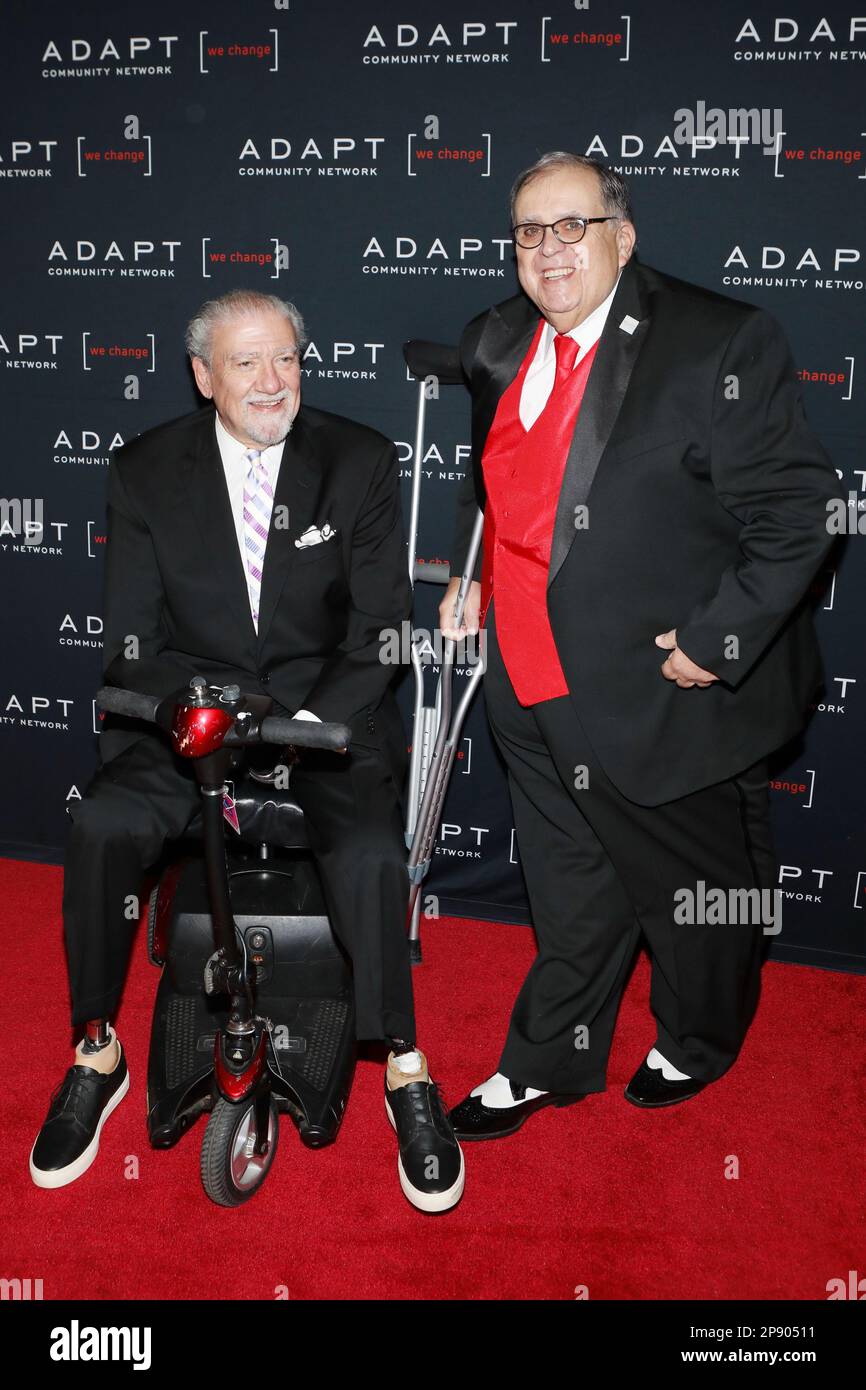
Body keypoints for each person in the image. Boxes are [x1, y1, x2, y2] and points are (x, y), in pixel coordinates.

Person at [30, 288, 463, 1212]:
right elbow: (131, 645)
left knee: (376, 854)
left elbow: (381, 632)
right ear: (202, 376)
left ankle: (403, 1063)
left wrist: (303, 733)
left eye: (287, 360)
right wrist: (203, 720)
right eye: (245, 363)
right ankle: (95, 1051)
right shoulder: (145, 469)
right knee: (104, 822)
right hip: (195, 719)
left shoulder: (358, 460)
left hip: (322, 720)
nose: (273, 383)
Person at [439, 152, 839, 1139]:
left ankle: (696, 1039)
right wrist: (469, 569)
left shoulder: (717, 341)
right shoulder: (493, 339)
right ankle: (550, 1058)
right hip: (526, 678)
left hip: (666, 685)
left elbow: (800, 511)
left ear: (621, 233)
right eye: (528, 230)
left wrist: (715, 639)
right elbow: (492, 482)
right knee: (569, 885)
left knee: (696, 898)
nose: (547, 249)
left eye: (570, 224)